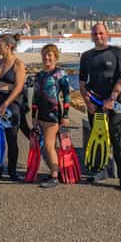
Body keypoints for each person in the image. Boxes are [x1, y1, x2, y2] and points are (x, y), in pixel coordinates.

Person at [79, 23, 121, 191]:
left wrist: (112, 98)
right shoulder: (86, 56)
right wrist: (88, 102)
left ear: (107, 34)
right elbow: (82, 82)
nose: (98, 36)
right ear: (91, 36)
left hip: (113, 103)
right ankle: (100, 171)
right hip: (94, 103)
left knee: (116, 140)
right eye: (95, 34)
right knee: (98, 138)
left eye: (101, 33)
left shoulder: (117, 53)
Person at [0, 34, 26, 181]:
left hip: (12, 102)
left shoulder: (18, 64)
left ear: (8, 46)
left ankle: (12, 170)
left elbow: (18, 87)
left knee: (11, 138)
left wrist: (5, 104)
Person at [31, 44, 71, 188]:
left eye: (50, 55)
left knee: (48, 145)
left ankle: (54, 176)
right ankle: (55, 171)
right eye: (44, 55)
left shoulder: (60, 74)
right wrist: (33, 116)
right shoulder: (39, 75)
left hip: (53, 114)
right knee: (47, 146)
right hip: (40, 114)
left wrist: (65, 115)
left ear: (55, 57)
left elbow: (66, 96)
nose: (46, 58)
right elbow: (35, 97)